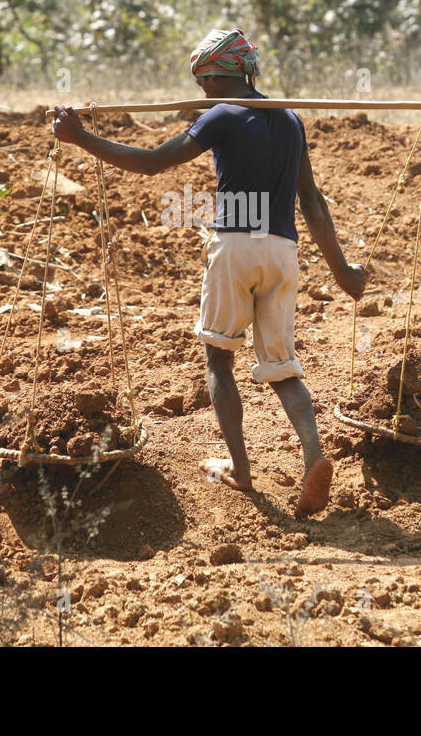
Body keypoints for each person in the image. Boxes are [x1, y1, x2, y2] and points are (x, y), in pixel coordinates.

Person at [50, 27, 366, 516]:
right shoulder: (289, 120)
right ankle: (314, 455)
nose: (202, 93)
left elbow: (153, 163)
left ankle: (241, 470)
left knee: (219, 358)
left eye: (204, 83)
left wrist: (81, 138)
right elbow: (312, 201)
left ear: (218, 77)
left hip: (235, 246)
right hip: (282, 251)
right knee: (282, 366)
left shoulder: (220, 116)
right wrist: (343, 272)